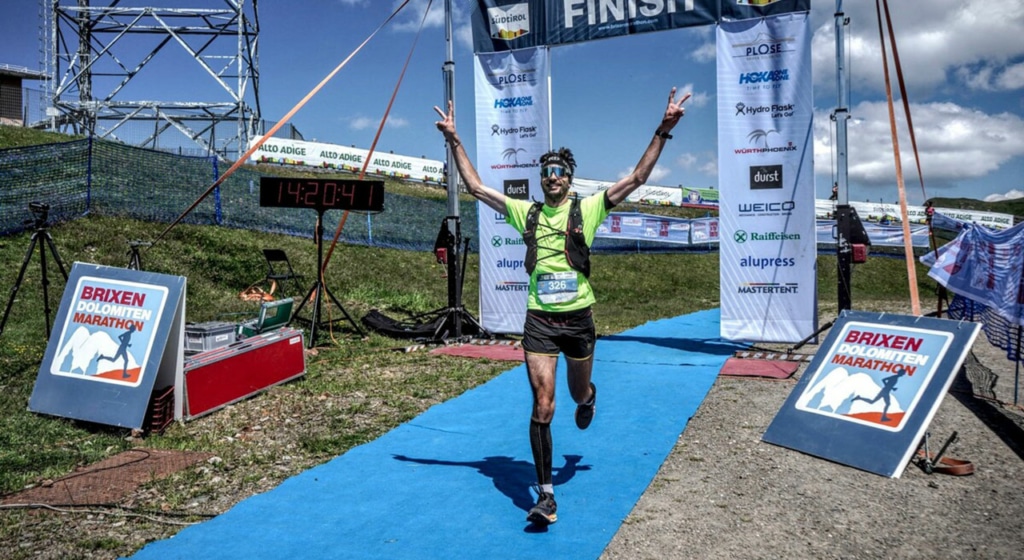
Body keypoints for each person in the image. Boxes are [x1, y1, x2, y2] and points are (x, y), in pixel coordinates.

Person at [433, 88, 689, 526]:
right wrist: (454, 139)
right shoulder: (526, 213)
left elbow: (636, 179)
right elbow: (475, 187)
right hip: (539, 321)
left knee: (575, 393)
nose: (552, 177)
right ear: (541, 180)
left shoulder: (587, 210)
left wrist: (663, 130)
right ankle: (546, 496)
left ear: (569, 179)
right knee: (544, 405)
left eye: (559, 172)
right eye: (546, 172)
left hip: (579, 319)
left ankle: (589, 397)